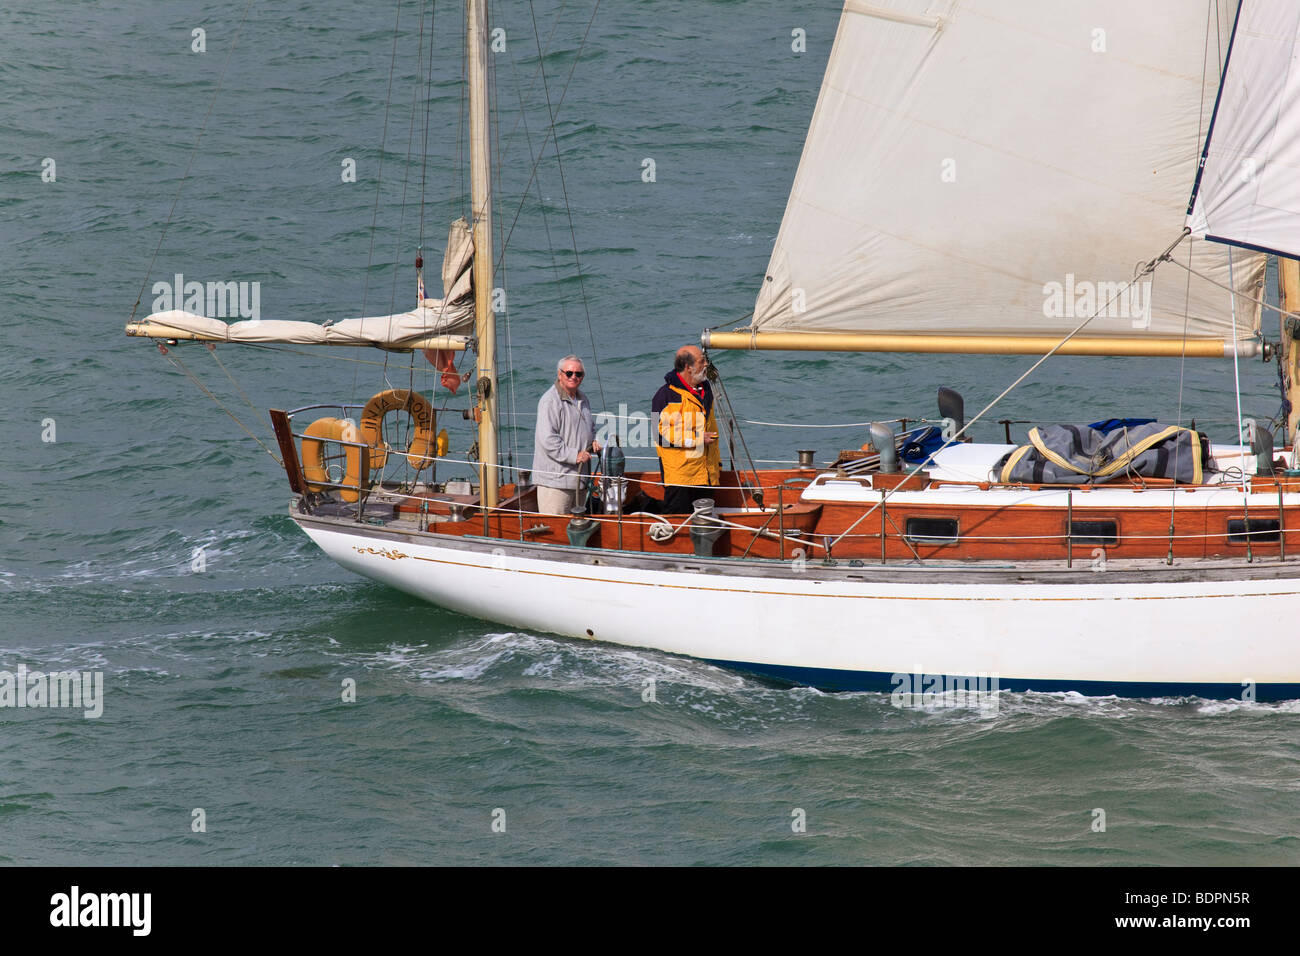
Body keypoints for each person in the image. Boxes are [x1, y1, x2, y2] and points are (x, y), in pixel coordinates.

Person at [652, 345, 720, 513]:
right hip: (681, 477)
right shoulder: (664, 396)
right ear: (688, 367)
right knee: (678, 525)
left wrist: (717, 465)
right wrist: (697, 439)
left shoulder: (706, 392)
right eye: (701, 361)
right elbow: (660, 435)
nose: (706, 365)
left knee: (705, 524)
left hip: (706, 474)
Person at [533, 354, 601, 515]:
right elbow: (548, 439)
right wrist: (575, 455)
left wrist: (594, 442)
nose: (574, 377)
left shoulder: (583, 398)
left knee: (578, 529)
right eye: (569, 373)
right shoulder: (550, 401)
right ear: (559, 374)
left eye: (578, 374)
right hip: (555, 483)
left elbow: (589, 428)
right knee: (556, 532)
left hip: (579, 480)